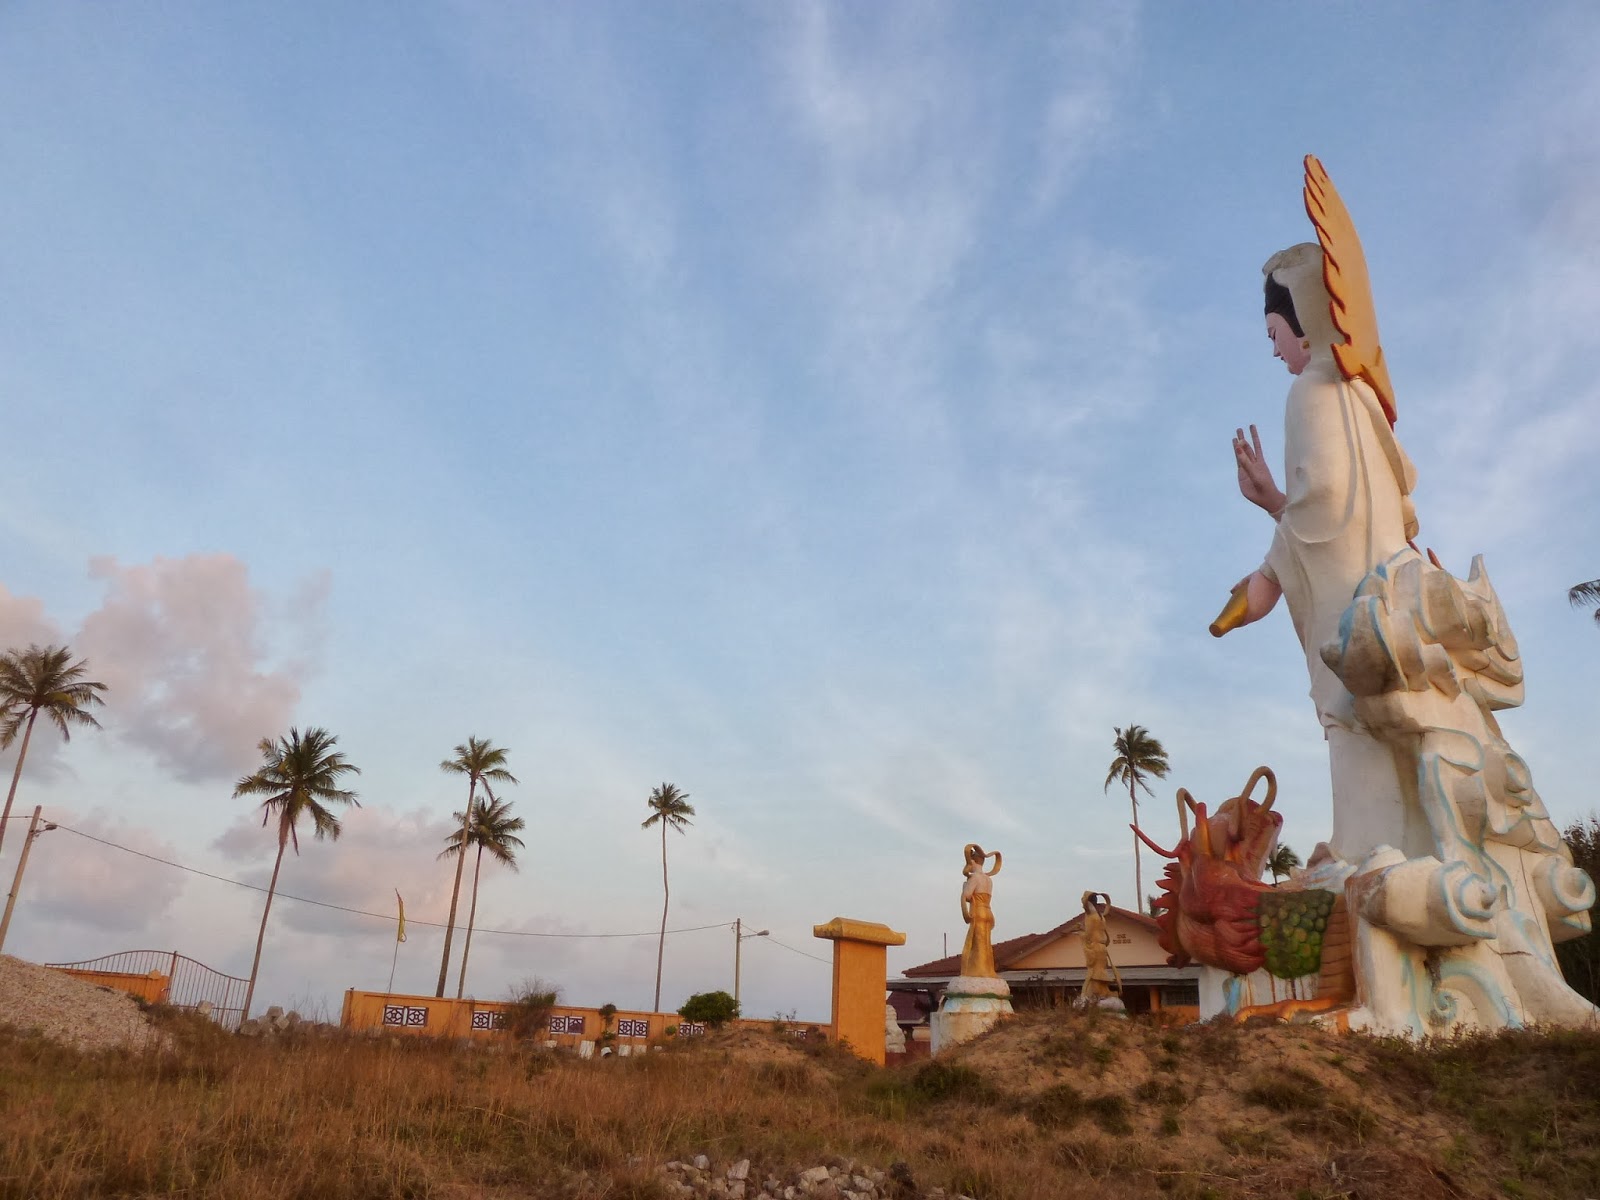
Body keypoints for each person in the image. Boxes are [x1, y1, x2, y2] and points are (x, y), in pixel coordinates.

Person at [1214, 240, 1424, 860]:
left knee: (1348, 714)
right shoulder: (1361, 396)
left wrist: (1273, 546)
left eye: (1275, 331)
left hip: (1349, 609)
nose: (1273, 346)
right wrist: (1280, 506)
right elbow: (1332, 505)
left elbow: (1321, 507)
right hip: (1392, 591)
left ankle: (1367, 850)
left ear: (1302, 326)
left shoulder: (1309, 390)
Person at [958, 843, 1001, 978]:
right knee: (986, 944)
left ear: (972, 861)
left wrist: (964, 889)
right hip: (988, 912)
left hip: (979, 912)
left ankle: (980, 971)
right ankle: (987, 970)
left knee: (978, 945)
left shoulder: (975, 878)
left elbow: (967, 896)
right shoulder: (988, 879)